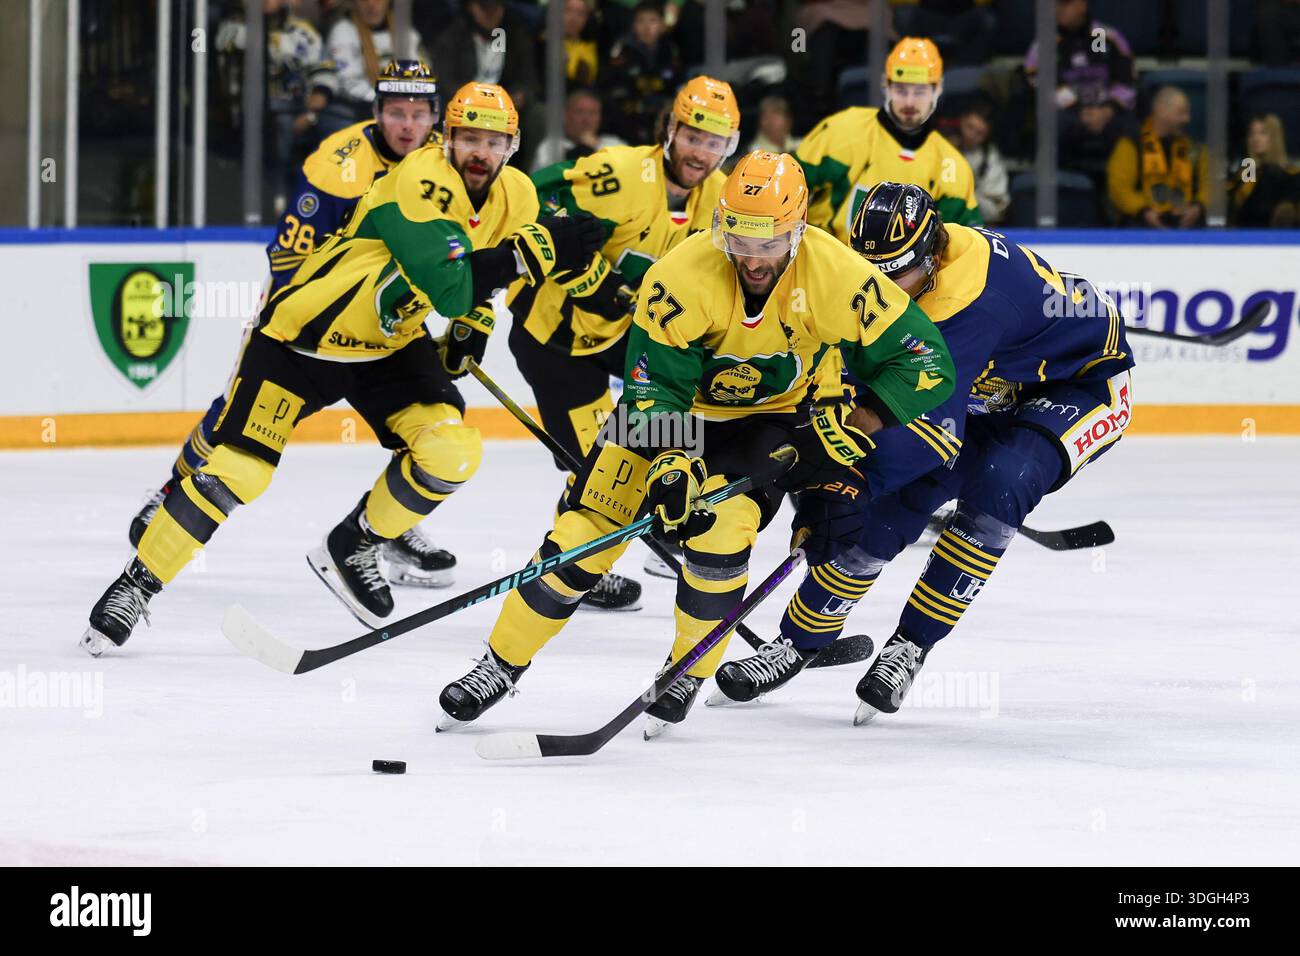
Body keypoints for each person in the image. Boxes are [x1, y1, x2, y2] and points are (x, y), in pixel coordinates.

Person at [435, 151, 957, 738]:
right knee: (582, 538)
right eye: (739, 238)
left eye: (771, 241)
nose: (753, 259)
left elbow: (926, 361)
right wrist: (672, 465)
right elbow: (654, 389)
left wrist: (856, 423)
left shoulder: (839, 277)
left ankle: (685, 670)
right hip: (668, 417)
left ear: (800, 225)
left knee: (723, 531)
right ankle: (499, 665)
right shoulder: (680, 276)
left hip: (764, 421)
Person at [80, 83, 606, 656]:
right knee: (238, 472)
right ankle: (136, 585)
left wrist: (471, 331)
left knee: (452, 450)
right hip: (304, 340)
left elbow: (482, 286)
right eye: (469, 138)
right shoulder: (417, 182)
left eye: (494, 141)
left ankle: (355, 542)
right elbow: (455, 285)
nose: (480, 151)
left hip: (387, 344)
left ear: (512, 145)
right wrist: (526, 258)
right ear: (447, 139)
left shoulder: (518, 195)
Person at [709, 183, 1134, 725]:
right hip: (987, 383)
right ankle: (796, 642)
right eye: (875, 272)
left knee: (997, 484)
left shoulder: (964, 304)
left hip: (1075, 388)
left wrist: (841, 486)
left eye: (899, 275)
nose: (885, 289)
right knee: (876, 518)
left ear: (933, 256)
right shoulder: (883, 276)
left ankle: (910, 645)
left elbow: (930, 433)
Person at [126, 61, 457, 588]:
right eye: (396, 112)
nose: (408, 125)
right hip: (307, 319)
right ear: (376, 113)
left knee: (421, 422)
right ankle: (171, 492)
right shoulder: (337, 166)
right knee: (235, 413)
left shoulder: (447, 160)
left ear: (435, 118)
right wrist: (289, 333)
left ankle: (393, 527)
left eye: (419, 114)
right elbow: (288, 257)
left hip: (387, 322)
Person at [512, 76, 740, 607]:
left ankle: (658, 515)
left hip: (621, 331)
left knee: (676, 406)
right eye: (693, 136)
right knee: (599, 462)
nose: (701, 153)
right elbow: (527, 194)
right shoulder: (618, 173)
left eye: (715, 143)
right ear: (671, 130)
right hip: (555, 336)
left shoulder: (719, 201)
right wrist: (580, 266)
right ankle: (562, 562)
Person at [797, 36, 982, 243]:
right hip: (830, 266)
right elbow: (789, 188)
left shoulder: (952, 166)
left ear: (937, 89)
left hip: (907, 275)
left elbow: (965, 245)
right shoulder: (841, 130)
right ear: (886, 85)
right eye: (901, 90)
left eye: (920, 92)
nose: (910, 102)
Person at [1025, 0, 1136, 187]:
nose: (1058, 10)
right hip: (1069, 113)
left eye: (1065, 4)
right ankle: (1055, 193)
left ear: (1082, 5)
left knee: (1132, 129)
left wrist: (1107, 110)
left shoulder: (1101, 37)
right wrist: (1078, 110)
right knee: (1053, 125)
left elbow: (1126, 78)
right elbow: (1036, 79)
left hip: (1107, 112)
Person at [312, 0, 430, 136]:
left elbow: (421, 74)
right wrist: (386, 101)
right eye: (365, 0)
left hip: (403, 104)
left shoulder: (405, 32)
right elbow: (348, 82)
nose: (372, 5)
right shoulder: (343, 31)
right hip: (358, 108)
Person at [1107, 86, 1209, 228]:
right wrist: (1144, 211)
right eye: (1182, 113)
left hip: (1185, 224)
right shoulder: (1131, 144)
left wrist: (1198, 207)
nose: (1187, 119)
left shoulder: (1193, 148)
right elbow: (1118, 189)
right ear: (1162, 111)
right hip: (1141, 225)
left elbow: (1211, 184)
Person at [603, 1, 683, 146]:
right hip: (630, 114)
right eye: (641, 21)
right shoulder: (622, 49)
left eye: (653, 21)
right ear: (633, 25)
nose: (647, 27)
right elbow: (615, 88)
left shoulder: (670, 49)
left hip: (661, 111)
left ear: (662, 25)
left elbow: (676, 83)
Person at [529, 88, 626, 172]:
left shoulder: (615, 145)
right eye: (580, 112)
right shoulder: (550, 147)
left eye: (592, 113)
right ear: (565, 116)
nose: (586, 119)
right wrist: (583, 149)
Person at [1230, 114, 1300, 228]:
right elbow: (1237, 209)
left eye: (1262, 133)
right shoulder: (1248, 171)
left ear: (1274, 137)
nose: (1256, 138)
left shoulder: (1291, 173)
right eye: (1252, 134)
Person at [948, 99, 1009, 224]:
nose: (971, 135)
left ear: (987, 135)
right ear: (962, 120)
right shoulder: (941, 147)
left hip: (979, 224)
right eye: (969, 127)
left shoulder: (990, 158)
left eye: (979, 133)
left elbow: (996, 210)